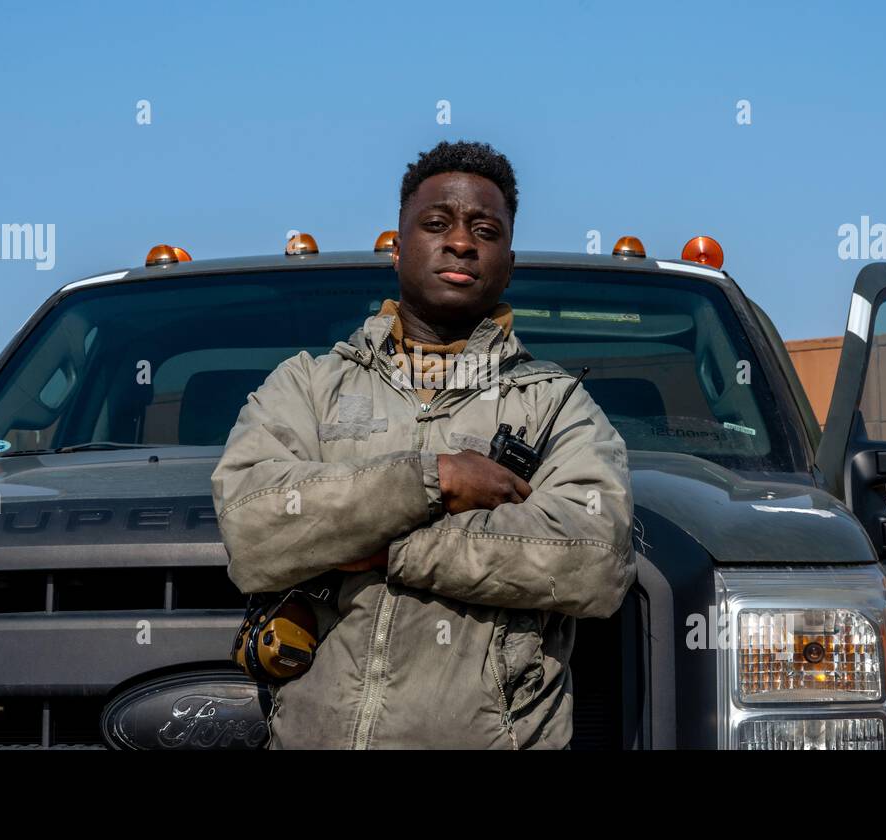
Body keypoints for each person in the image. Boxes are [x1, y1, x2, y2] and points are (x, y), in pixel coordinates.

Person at [211, 140, 635, 749]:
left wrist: (386, 550)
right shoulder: (306, 384)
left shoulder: (556, 404)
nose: (461, 242)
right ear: (397, 247)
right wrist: (438, 477)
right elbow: (252, 526)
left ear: (509, 263)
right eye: (436, 224)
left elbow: (595, 559)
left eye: (485, 231)